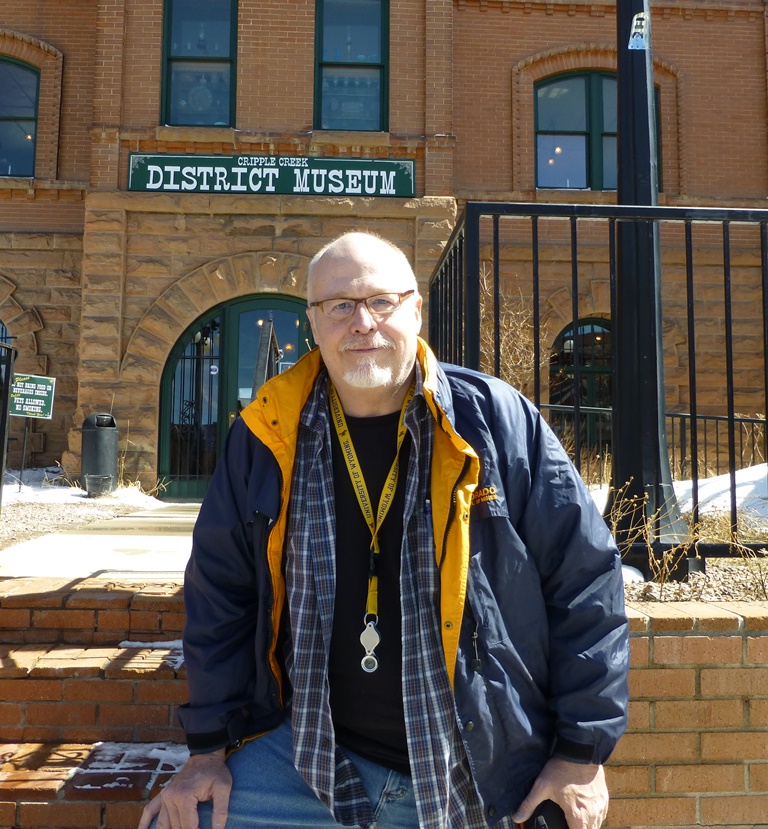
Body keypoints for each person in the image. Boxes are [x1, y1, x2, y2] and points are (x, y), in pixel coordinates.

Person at [139, 232, 629, 829]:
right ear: (313, 323)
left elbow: (584, 580)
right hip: (312, 761)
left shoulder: (494, 421)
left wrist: (579, 755)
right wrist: (207, 754)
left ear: (416, 309)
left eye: (380, 301)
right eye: (339, 305)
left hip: (479, 766)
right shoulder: (266, 434)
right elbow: (222, 596)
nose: (362, 322)